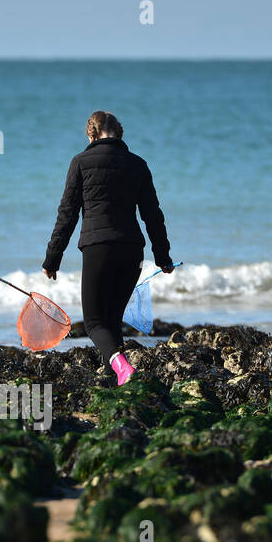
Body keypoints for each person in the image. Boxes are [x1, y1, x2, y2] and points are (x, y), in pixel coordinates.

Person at [42, 111, 173, 386]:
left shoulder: (80, 162)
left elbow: (67, 214)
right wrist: (163, 257)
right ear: (119, 133)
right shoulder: (137, 164)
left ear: (91, 134)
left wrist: (53, 258)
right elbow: (153, 215)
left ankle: (120, 365)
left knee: (93, 322)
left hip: (97, 247)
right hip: (131, 249)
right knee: (112, 319)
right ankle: (115, 377)